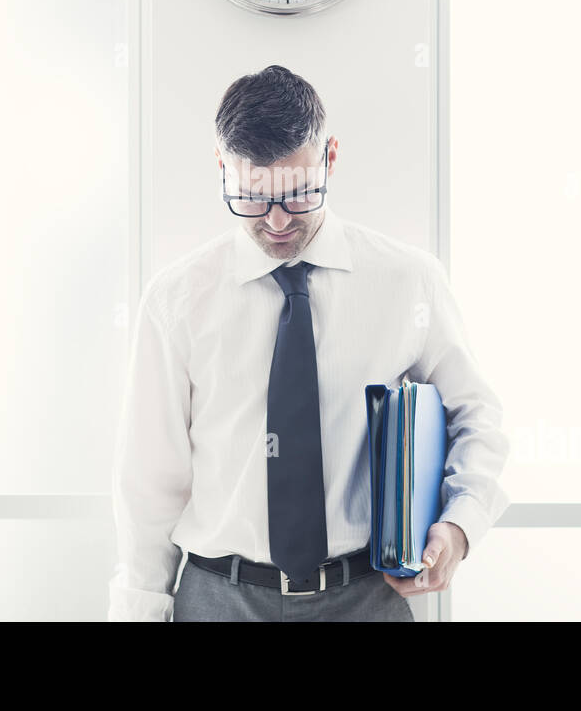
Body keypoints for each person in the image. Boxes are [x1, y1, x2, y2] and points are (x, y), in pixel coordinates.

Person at [108, 64, 510, 621]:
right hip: (219, 597)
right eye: (251, 197)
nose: (276, 221)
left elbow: (477, 417)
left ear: (331, 157)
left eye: (298, 194)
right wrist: (139, 612)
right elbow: (149, 481)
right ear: (222, 167)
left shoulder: (408, 281)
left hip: (366, 597)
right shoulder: (176, 299)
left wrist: (462, 522)